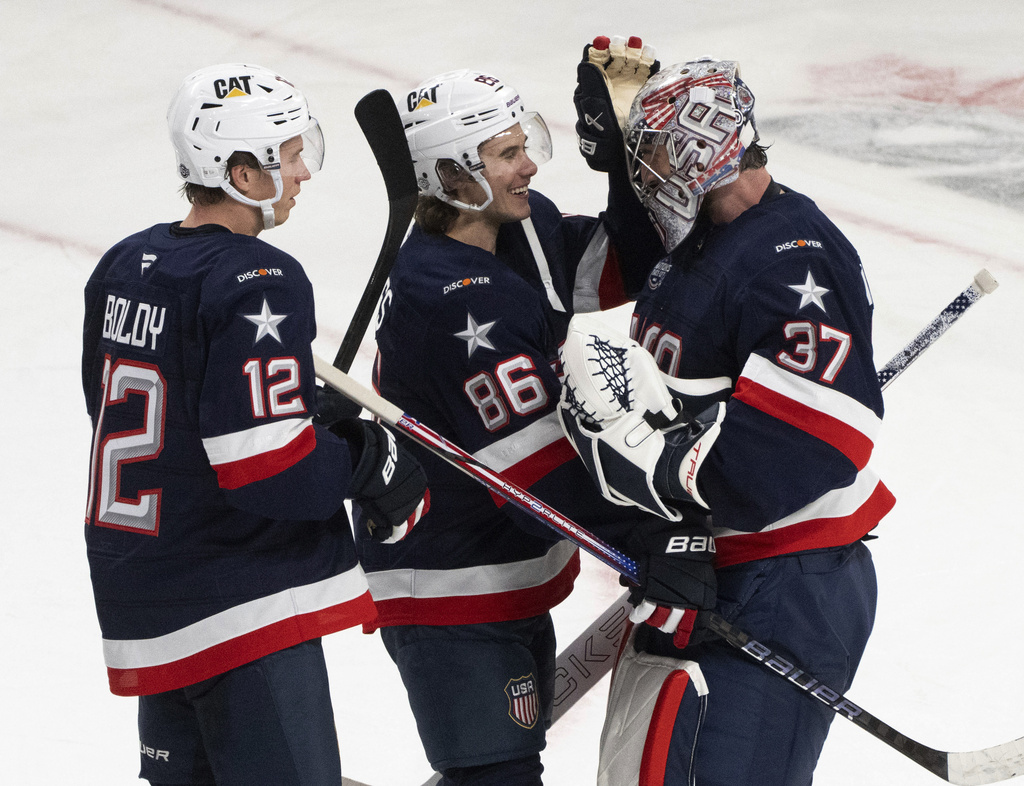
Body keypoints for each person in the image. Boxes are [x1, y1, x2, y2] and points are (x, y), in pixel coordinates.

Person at [353, 46, 707, 786]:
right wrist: (650, 531)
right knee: (498, 777)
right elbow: (534, 478)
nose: (530, 167)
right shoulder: (452, 298)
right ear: (452, 174)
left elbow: (624, 266)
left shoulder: (513, 232)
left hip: (495, 565)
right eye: (508, 153)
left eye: (524, 145)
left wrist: (623, 164)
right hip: (447, 585)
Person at [81, 62, 427, 786]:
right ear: (241, 171)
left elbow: (132, 410)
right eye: (291, 156)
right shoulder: (258, 278)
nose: (305, 173)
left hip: (147, 593)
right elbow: (269, 473)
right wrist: (363, 460)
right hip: (239, 606)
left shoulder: (122, 265)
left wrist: (289, 408)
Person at [558, 57, 897, 785]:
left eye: (650, 153)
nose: (643, 171)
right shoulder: (703, 239)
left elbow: (813, 443)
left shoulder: (787, 256)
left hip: (783, 582)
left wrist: (654, 468)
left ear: (698, 151)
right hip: (708, 574)